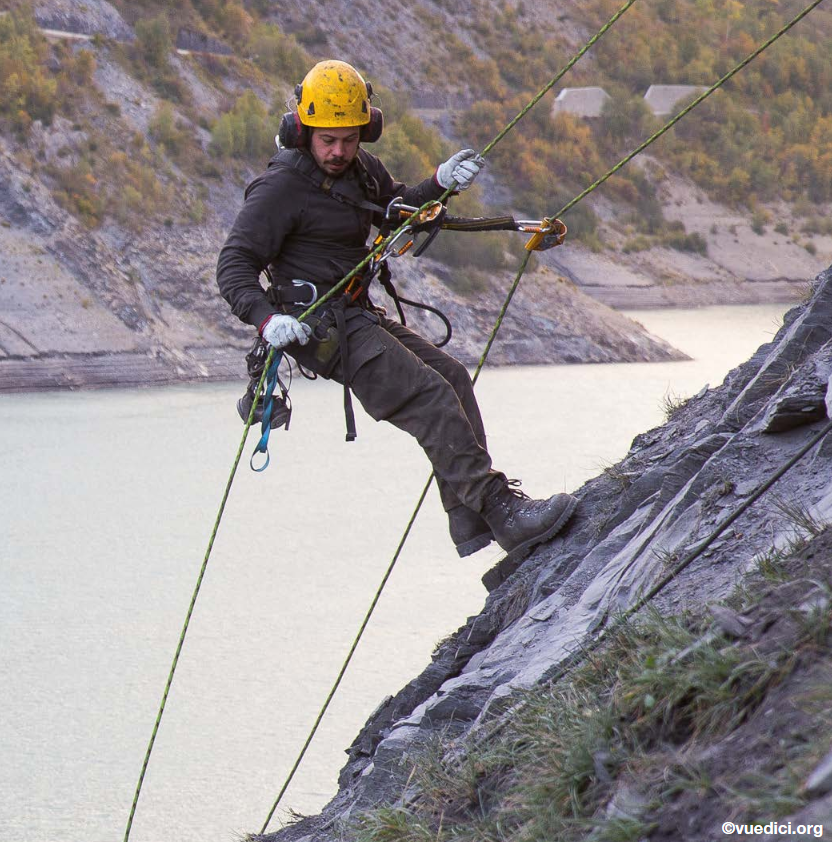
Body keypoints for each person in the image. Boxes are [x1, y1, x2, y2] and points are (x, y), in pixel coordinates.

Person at [217, 59, 578, 563]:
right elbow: (234, 263)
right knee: (429, 396)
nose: (339, 150)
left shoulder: (360, 170)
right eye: (327, 140)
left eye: (349, 137)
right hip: (317, 327)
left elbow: (396, 207)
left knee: (451, 378)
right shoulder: (281, 189)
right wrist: (265, 318)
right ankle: (503, 512)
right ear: (303, 132)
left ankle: (472, 519)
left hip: (353, 314)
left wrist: (440, 181)